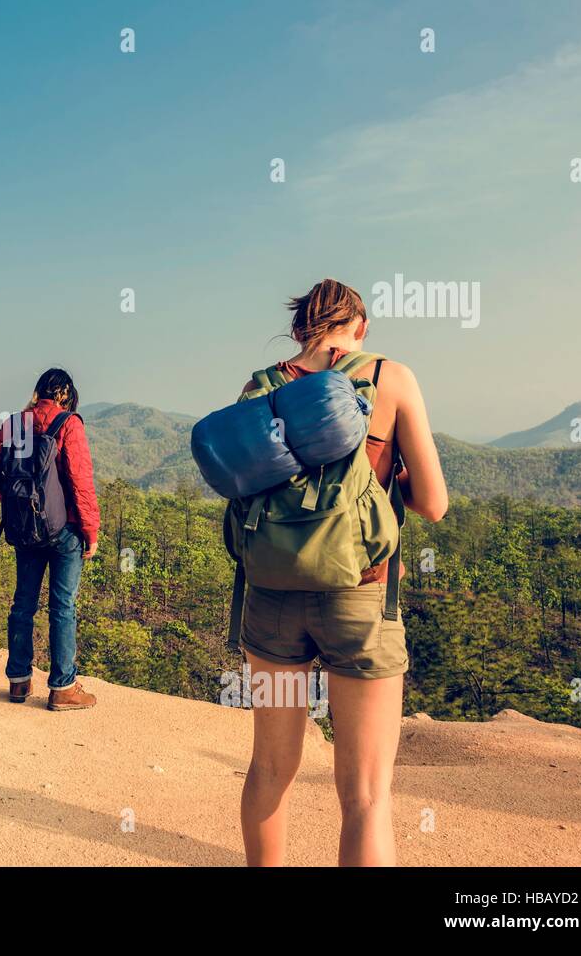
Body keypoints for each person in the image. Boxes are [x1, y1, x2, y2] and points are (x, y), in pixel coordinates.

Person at [236, 279, 448, 866]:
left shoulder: (261, 387)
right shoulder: (389, 378)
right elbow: (433, 503)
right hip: (359, 599)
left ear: (302, 325)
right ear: (360, 327)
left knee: (270, 769)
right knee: (365, 796)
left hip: (272, 598)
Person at [0, 368, 101, 711]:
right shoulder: (69, 424)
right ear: (67, 395)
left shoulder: (15, 423)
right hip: (65, 532)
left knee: (23, 604)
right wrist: (90, 531)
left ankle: (18, 682)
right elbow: (80, 482)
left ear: (37, 392)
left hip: (26, 530)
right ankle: (62, 688)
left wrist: (16, 505)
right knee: (62, 606)